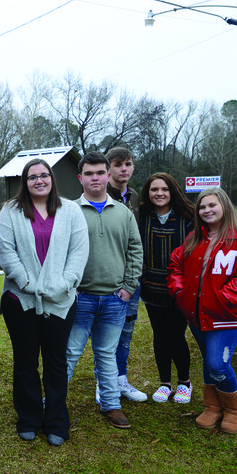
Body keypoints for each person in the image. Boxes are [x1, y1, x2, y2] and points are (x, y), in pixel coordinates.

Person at [0, 159, 89, 446]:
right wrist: (27, 283)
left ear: (52, 179)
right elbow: (5, 251)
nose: (39, 181)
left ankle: (57, 421)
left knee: (55, 361)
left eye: (44, 175)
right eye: (32, 177)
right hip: (20, 299)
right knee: (25, 361)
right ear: (25, 182)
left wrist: (63, 284)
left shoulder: (71, 211)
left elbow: (79, 252)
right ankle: (28, 418)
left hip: (60, 300)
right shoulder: (11, 211)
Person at [168, 188, 237, 434]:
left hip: (227, 317)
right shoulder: (195, 238)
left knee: (217, 364)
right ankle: (212, 407)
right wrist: (179, 293)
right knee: (210, 362)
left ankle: (233, 410)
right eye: (202, 207)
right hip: (197, 316)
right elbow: (176, 264)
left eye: (212, 205)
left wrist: (221, 299)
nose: (207, 210)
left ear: (225, 206)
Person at [66, 151, 142, 430]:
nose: (95, 177)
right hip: (79, 299)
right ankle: (54, 403)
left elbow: (135, 250)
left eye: (100, 172)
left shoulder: (123, 213)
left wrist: (128, 287)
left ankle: (111, 405)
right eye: (89, 173)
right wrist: (69, 288)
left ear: (108, 175)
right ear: (80, 178)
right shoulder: (68, 211)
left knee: (106, 355)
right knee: (69, 353)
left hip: (114, 299)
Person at [138, 173, 194, 404]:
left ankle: (184, 383)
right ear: (147, 193)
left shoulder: (188, 218)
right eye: (154, 190)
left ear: (173, 191)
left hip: (179, 290)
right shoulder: (141, 216)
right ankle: (165, 383)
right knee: (160, 335)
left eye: (164, 189)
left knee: (176, 335)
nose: (159, 194)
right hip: (151, 289)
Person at [104, 147, 147, 402]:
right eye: (118, 164)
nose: (124, 168)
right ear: (109, 167)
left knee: (126, 332)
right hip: (105, 279)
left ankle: (121, 379)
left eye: (128, 164)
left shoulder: (134, 197)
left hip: (131, 279)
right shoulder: (97, 194)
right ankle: (105, 382)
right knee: (105, 335)